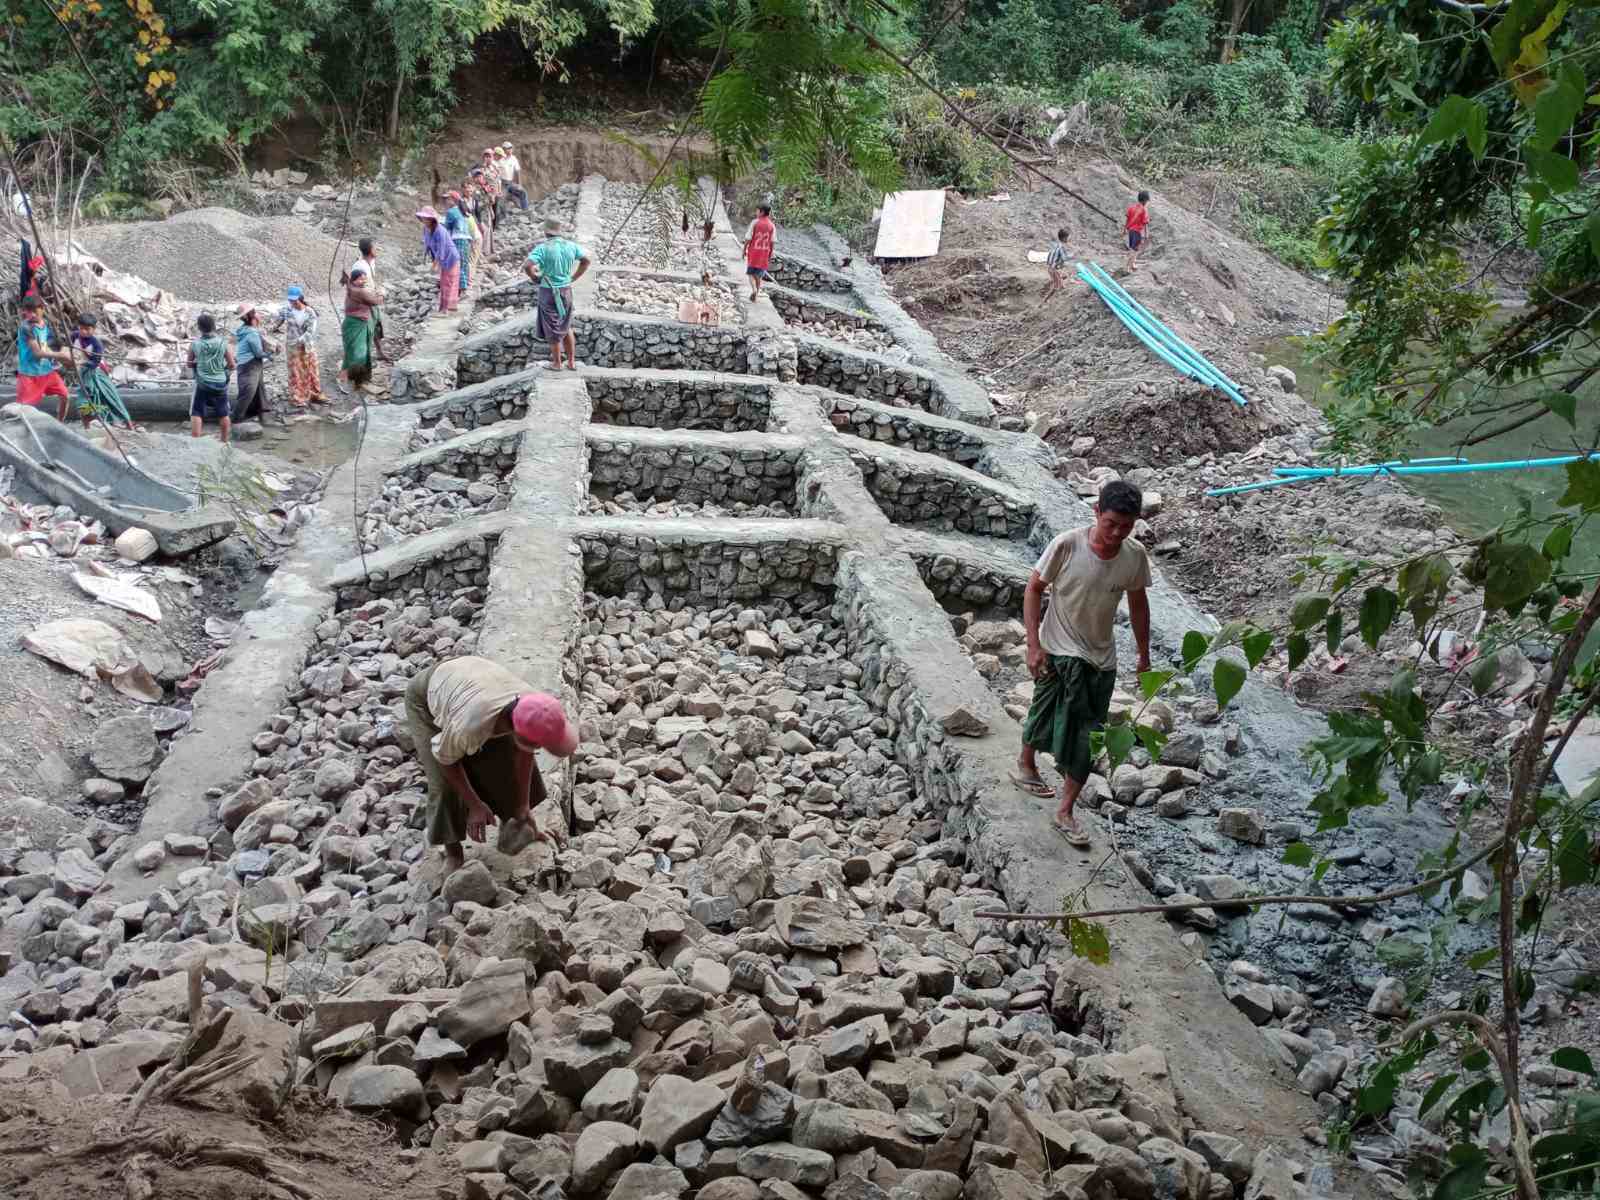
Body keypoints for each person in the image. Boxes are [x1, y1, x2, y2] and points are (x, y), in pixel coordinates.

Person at [1014, 480, 1152, 848]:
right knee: (1044, 709)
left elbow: (1139, 605)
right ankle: (1027, 763)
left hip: (1101, 657)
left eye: (1126, 526)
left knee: (1088, 734)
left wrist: (1143, 656)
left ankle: (1065, 810)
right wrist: (1033, 644)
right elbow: (1033, 588)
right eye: (1111, 524)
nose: (1117, 533)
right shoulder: (1067, 545)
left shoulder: (1134, 556)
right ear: (1096, 513)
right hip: (1057, 647)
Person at [404, 655, 578, 873]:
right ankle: (453, 852)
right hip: (426, 695)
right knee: (444, 786)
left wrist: (522, 807)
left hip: (470, 679)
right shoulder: (470, 724)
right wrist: (475, 805)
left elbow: (524, 755)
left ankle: (513, 821)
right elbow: (445, 760)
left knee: (503, 758)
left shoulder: (535, 706)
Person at [524, 217, 591, 371]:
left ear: (546, 232)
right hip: (566, 290)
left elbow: (527, 265)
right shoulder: (571, 246)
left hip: (548, 291)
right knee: (566, 325)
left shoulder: (543, 248)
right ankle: (571, 362)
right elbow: (586, 261)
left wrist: (534, 277)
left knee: (552, 327)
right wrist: (574, 277)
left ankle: (557, 363)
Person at [71, 312, 134, 431]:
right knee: (83, 401)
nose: (84, 331)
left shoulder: (96, 344)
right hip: (83, 375)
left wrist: (80, 362)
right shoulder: (74, 336)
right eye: (81, 328)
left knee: (111, 397)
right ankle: (87, 427)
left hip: (97, 374)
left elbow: (95, 363)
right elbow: (70, 349)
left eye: (87, 329)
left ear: (93, 329)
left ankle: (128, 423)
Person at [15, 295, 73, 415]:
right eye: (28, 312)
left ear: (42, 309)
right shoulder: (26, 327)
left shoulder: (44, 324)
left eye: (35, 312)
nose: (32, 315)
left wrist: (63, 354)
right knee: (23, 410)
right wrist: (61, 356)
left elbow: (47, 344)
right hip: (29, 374)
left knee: (65, 396)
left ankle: (60, 423)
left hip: (46, 371)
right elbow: (37, 353)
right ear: (24, 311)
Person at [270, 286, 326, 408]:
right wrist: (271, 327)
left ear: (300, 298)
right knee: (295, 372)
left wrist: (299, 340)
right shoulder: (287, 310)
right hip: (292, 348)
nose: (292, 302)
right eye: (290, 300)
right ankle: (297, 397)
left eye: (294, 300)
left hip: (307, 346)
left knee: (311, 369)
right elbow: (277, 321)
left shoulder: (310, 312)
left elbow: (310, 332)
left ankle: (314, 394)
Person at [188, 311, 236, 443]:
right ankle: (224, 441)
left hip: (202, 384)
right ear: (214, 326)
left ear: (199, 328)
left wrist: (199, 363)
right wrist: (224, 370)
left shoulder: (195, 344)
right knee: (223, 412)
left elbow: (189, 364)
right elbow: (232, 365)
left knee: (197, 412)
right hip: (220, 383)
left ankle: (195, 443)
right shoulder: (223, 343)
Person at [341, 263, 383, 393]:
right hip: (355, 324)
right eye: (360, 279)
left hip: (358, 323)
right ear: (354, 280)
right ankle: (348, 379)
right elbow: (376, 301)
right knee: (358, 353)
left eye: (365, 279)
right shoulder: (360, 291)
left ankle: (359, 377)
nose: (363, 281)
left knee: (354, 351)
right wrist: (381, 293)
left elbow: (346, 279)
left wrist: (345, 276)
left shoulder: (351, 286)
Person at [231, 303, 276, 423]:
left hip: (245, 364)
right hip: (250, 364)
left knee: (258, 386)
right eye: (255, 312)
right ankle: (236, 417)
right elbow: (258, 353)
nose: (258, 314)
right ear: (251, 317)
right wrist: (271, 354)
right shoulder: (252, 333)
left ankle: (261, 409)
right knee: (248, 392)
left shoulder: (244, 329)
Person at [417, 206, 461, 314]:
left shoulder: (440, 230)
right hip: (442, 258)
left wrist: (435, 264)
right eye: (423, 218)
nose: (424, 220)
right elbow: (427, 243)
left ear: (432, 219)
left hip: (450, 257)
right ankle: (443, 308)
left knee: (448, 282)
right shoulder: (426, 229)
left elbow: (441, 249)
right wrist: (426, 257)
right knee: (443, 282)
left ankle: (446, 309)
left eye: (426, 218)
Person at [742, 204, 775, 302]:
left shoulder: (755, 222)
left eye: (757, 211)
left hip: (754, 253)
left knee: (750, 274)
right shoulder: (772, 225)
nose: (756, 212)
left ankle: (754, 290)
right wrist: (770, 254)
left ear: (762, 212)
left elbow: (748, 238)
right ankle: (756, 295)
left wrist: (744, 249)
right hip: (764, 254)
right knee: (759, 276)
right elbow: (772, 242)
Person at [444, 190, 473, 296]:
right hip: (466, 239)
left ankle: (462, 288)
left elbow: (447, 229)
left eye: (448, 199)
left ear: (453, 200)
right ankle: (465, 286)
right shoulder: (462, 210)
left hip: (457, 239)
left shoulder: (451, 212)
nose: (446, 201)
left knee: (457, 263)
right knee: (464, 263)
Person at [497, 141, 529, 210]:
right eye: (508, 148)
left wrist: (519, 185)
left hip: (510, 183)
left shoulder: (513, 159)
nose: (510, 150)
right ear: (504, 149)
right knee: (500, 200)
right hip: (502, 184)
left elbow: (517, 171)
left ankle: (525, 210)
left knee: (523, 193)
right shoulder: (499, 160)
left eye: (511, 148)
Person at [1042, 228, 1071, 301]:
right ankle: (1045, 300)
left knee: (1064, 277)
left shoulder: (1056, 245)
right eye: (1068, 237)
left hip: (1051, 268)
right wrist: (1073, 256)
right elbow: (1065, 258)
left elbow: (1049, 256)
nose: (1069, 239)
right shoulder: (1061, 247)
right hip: (1054, 269)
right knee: (1057, 286)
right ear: (1064, 238)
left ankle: (1057, 284)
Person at [1124, 190, 1150, 273]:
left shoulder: (1132, 207)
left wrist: (1125, 229)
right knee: (1134, 250)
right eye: (1148, 201)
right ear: (1145, 200)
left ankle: (1132, 264)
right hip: (1137, 231)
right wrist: (1146, 235)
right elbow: (1145, 223)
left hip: (1130, 231)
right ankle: (1127, 267)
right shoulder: (1144, 210)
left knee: (1134, 249)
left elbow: (1127, 219)